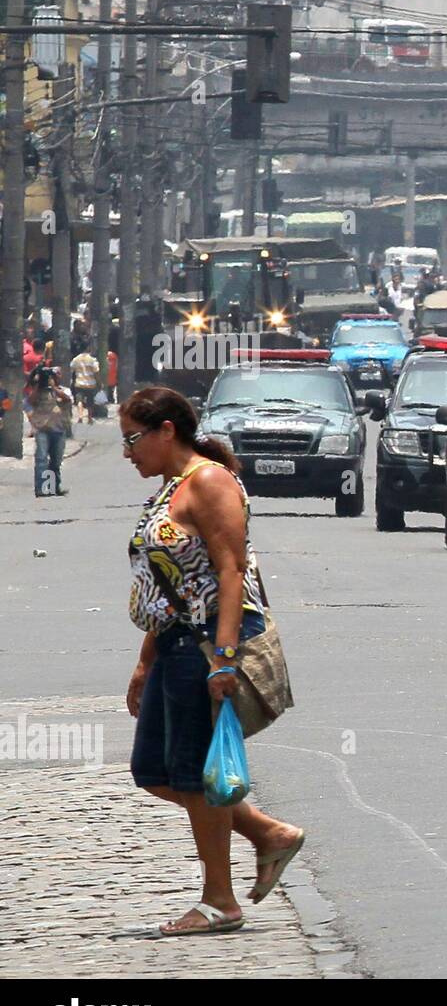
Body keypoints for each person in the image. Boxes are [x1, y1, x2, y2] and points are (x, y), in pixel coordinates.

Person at [121, 387, 306, 936]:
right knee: (153, 770)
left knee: (196, 777)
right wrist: (143, 660)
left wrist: (223, 660)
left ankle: (220, 901)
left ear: (166, 432)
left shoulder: (210, 482)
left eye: (133, 439)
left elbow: (231, 574)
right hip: (173, 643)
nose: (128, 452)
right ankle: (268, 832)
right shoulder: (168, 489)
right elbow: (164, 584)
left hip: (206, 646)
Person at [26, 349, 72, 497]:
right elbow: (30, 402)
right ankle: (40, 489)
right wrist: (38, 386)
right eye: (54, 374)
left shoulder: (64, 390)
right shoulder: (40, 391)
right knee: (41, 459)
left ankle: (54, 488)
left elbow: (67, 400)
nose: (55, 376)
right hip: (43, 429)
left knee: (56, 462)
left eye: (57, 374)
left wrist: (53, 388)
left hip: (59, 430)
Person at [70, 343, 101, 424]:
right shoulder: (92, 360)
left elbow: (71, 369)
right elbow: (96, 372)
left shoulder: (76, 359)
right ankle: (89, 418)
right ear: (88, 348)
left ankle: (80, 416)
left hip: (79, 383)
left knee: (79, 400)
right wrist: (99, 383)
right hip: (91, 384)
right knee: (90, 401)